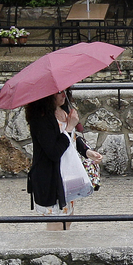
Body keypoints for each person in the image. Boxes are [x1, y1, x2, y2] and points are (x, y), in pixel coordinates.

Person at [25, 89, 102, 231]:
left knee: (69, 217)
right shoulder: (41, 118)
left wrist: (87, 152)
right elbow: (54, 152)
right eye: (58, 92)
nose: (63, 95)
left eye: (66, 91)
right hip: (50, 179)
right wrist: (70, 126)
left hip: (67, 176)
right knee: (56, 225)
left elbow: (71, 139)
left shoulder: (64, 109)